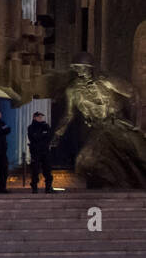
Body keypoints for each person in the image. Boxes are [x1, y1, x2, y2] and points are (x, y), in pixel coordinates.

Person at [53, 52, 146, 189]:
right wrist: (57, 134)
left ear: (90, 67)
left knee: (139, 153)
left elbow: (133, 94)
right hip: (99, 129)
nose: (80, 71)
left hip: (117, 125)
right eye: (77, 67)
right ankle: (107, 185)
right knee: (88, 159)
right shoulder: (72, 90)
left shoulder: (106, 81)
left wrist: (138, 123)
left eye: (82, 67)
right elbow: (69, 115)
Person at [27, 111, 54, 193]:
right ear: (34, 117)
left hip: (45, 151)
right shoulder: (31, 127)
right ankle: (34, 188)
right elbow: (34, 137)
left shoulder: (46, 126)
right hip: (36, 152)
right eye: (39, 117)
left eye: (41, 117)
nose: (40, 118)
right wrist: (42, 135)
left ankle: (48, 188)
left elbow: (49, 136)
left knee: (47, 170)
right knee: (35, 170)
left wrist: (41, 136)